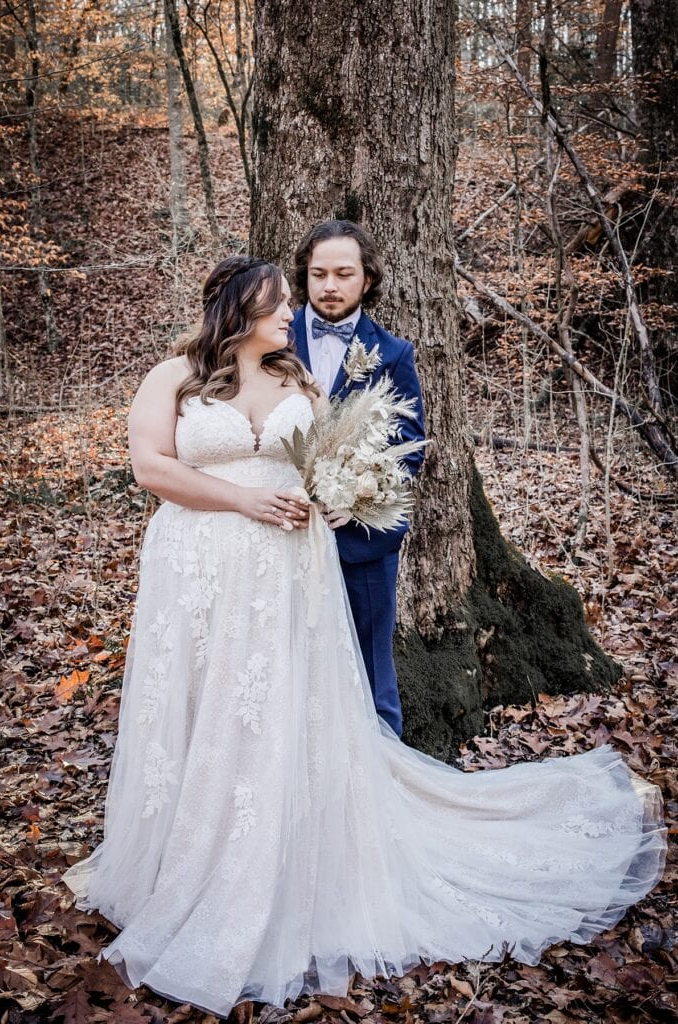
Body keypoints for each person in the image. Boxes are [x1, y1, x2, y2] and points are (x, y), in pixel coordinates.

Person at [62, 255, 666, 1020]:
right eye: (279, 302)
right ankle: (186, 858)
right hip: (200, 566)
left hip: (288, 569)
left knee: (278, 703)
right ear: (239, 307)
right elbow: (151, 468)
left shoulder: (300, 384)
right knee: (199, 699)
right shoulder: (171, 377)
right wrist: (242, 504)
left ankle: (281, 857)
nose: (292, 313)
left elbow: (337, 464)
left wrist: (348, 497)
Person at [291, 220, 425, 737]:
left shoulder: (393, 353)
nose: (329, 286)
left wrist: (360, 496)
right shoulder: (270, 339)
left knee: (370, 657)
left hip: (361, 536)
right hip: (276, 529)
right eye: (318, 273)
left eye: (343, 274)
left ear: (366, 279)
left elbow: (407, 443)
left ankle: (384, 767)